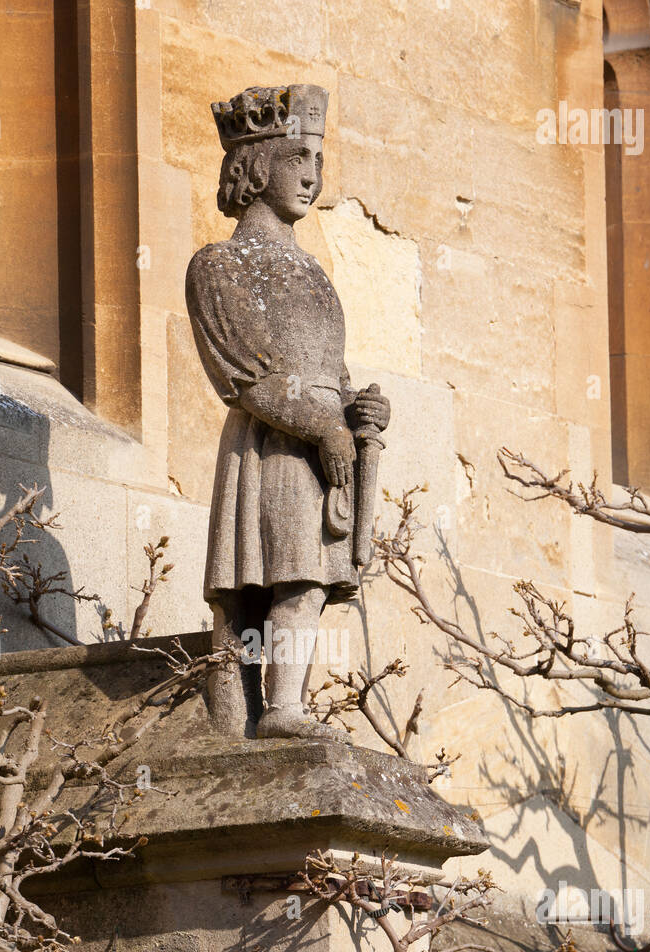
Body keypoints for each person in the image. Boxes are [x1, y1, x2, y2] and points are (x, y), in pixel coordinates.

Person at [186, 84, 390, 738]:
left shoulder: (315, 276)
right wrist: (324, 426)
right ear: (255, 165)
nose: (312, 175)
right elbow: (248, 379)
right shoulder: (220, 266)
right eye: (298, 157)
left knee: (306, 581)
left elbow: (333, 375)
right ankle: (263, 712)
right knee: (270, 576)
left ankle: (285, 705)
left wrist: (360, 411)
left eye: (320, 163)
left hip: (320, 447)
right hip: (271, 445)